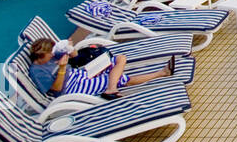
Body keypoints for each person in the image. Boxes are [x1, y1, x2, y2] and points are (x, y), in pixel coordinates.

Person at [28, 38, 175, 100]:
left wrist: (69, 48)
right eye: (50, 53)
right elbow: (55, 90)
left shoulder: (51, 56)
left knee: (120, 59)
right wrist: (61, 68)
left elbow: (75, 56)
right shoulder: (37, 71)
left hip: (79, 73)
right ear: (42, 55)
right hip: (72, 87)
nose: (53, 55)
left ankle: (111, 89)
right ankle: (162, 73)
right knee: (122, 79)